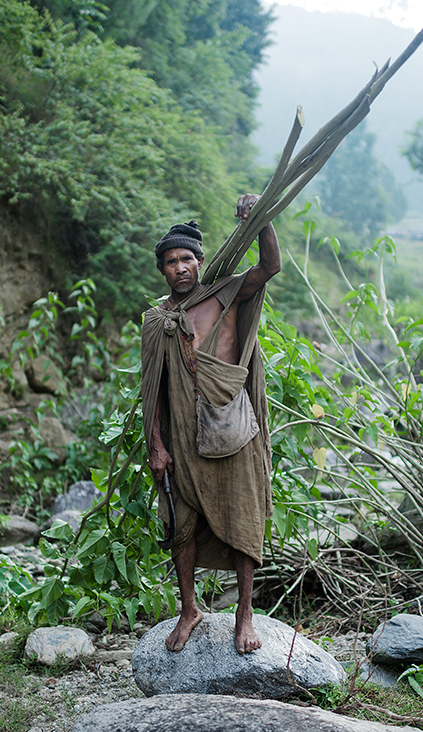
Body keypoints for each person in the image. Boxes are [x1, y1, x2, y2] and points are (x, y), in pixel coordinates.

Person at [141, 195, 280, 654]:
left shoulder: (227, 292)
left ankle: (245, 614)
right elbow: (154, 389)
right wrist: (157, 446)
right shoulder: (159, 319)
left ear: (200, 262)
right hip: (182, 437)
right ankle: (189, 609)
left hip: (233, 427)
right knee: (181, 526)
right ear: (162, 270)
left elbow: (270, 266)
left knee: (243, 520)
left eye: (186, 258)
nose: (179, 267)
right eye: (170, 262)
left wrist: (262, 217)